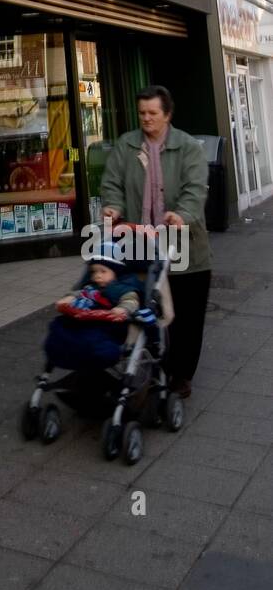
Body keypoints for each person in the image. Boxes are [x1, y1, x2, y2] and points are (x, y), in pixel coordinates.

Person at [100, 84, 210, 399]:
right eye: (142, 113)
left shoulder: (188, 147)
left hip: (184, 244)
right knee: (144, 307)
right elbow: (112, 183)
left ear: (167, 114)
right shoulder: (126, 145)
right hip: (140, 244)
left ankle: (181, 375)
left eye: (152, 113)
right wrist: (113, 205)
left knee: (187, 316)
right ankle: (146, 364)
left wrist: (182, 214)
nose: (146, 119)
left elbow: (195, 188)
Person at [45, 245, 142, 372]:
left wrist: (122, 309)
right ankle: (63, 348)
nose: (97, 276)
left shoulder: (124, 289)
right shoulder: (91, 287)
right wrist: (68, 298)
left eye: (103, 271)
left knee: (94, 339)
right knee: (60, 324)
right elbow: (79, 293)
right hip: (85, 320)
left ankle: (87, 351)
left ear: (116, 272)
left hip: (108, 322)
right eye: (94, 271)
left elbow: (131, 300)